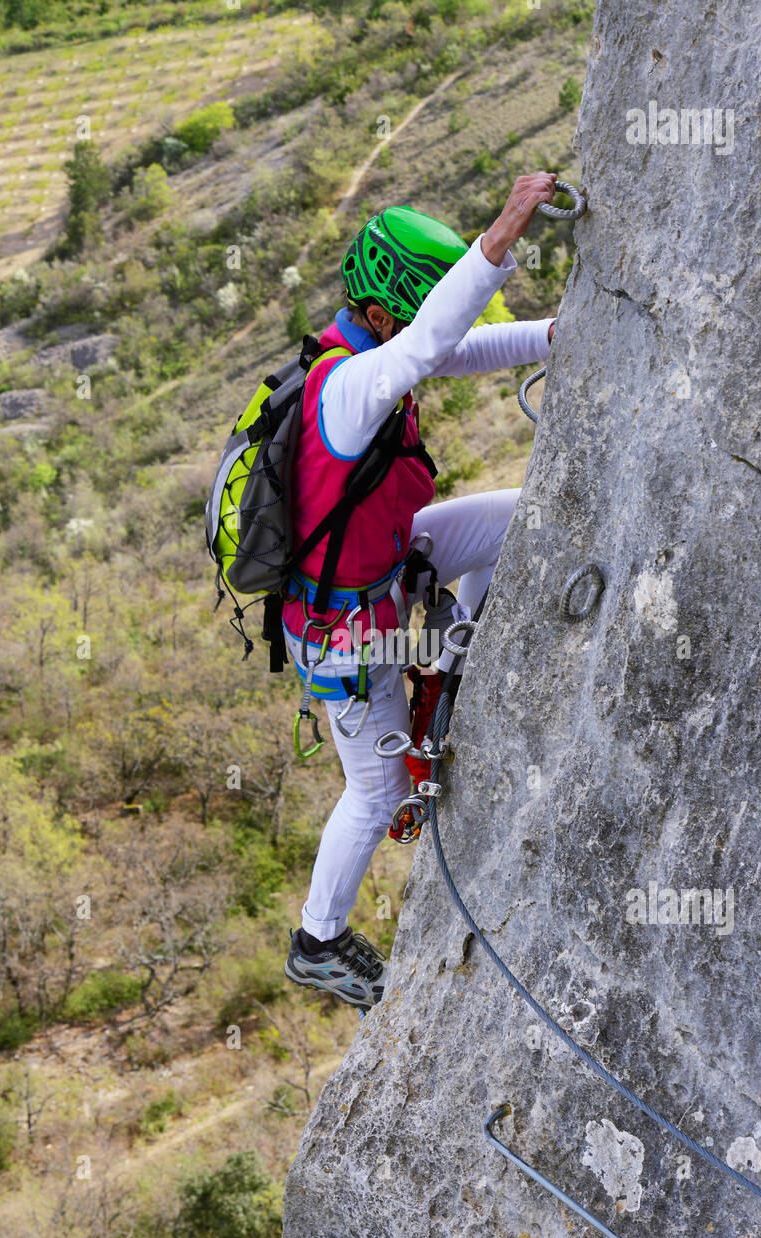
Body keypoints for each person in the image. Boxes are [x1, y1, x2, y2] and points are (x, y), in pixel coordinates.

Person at [282, 171, 558, 1009]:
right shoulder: (350, 385)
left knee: (523, 515)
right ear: (376, 316)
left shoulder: (364, 357)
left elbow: (453, 348)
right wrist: (499, 239)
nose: (415, 336)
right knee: (378, 793)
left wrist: (560, 332)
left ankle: (453, 656)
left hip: (387, 572)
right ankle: (317, 941)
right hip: (344, 633)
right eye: (405, 318)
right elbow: (430, 345)